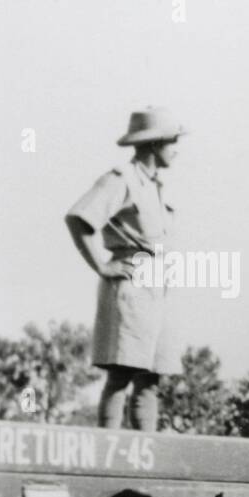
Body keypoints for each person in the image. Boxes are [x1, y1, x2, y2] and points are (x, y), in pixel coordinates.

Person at [65, 108, 187, 431]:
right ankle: (109, 455)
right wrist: (103, 266)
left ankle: (143, 460)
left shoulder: (158, 187)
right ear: (153, 143)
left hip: (159, 287)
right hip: (131, 286)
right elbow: (79, 218)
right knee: (121, 374)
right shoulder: (122, 180)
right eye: (172, 140)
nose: (176, 148)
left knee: (150, 380)